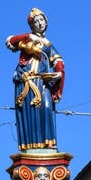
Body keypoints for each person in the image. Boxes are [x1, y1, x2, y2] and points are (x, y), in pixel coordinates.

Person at [6, 8, 65, 151]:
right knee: (28, 113)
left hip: (42, 82)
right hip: (25, 81)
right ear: (32, 25)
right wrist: (28, 36)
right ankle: (29, 145)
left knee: (46, 106)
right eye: (36, 21)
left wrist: (59, 72)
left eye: (41, 20)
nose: (39, 23)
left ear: (46, 22)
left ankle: (49, 142)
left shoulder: (47, 44)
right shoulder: (27, 38)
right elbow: (9, 41)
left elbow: (58, 61)